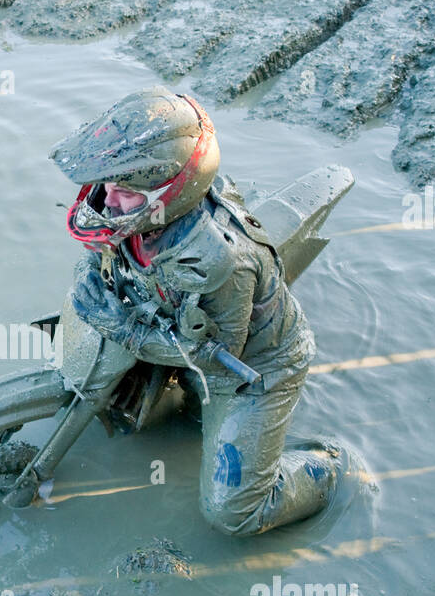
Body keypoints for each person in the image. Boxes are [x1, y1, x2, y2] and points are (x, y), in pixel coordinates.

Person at [51, 87, 344, 536]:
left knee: (233, 515)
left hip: (253, 365)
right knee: (175, 420)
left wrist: (125, 329)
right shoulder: (134, 212)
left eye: (125, 191)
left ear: (167, 192)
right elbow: (101, 251)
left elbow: (216, 357)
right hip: (174, 319)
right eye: (106, 184)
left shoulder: (218, 264)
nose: (108, 200)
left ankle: (329, 467)